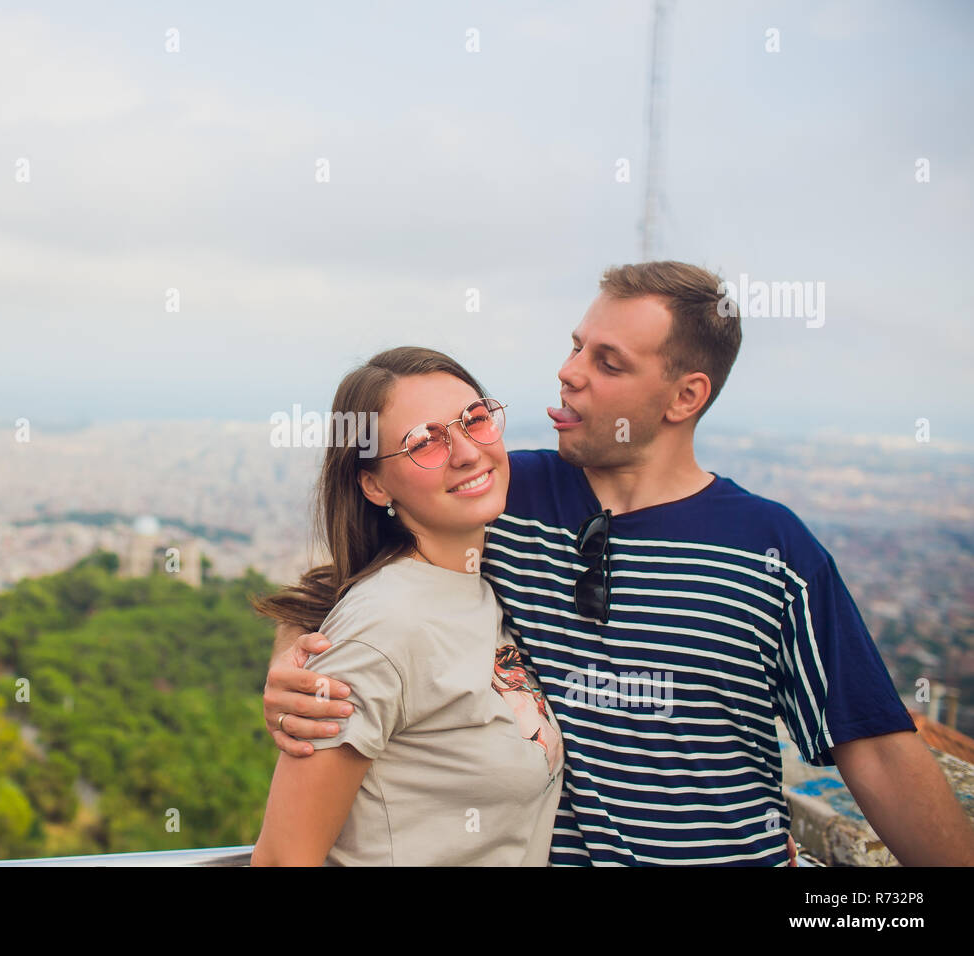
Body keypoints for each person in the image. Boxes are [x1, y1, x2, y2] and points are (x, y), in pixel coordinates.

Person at [264, 261, 974, 866]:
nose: (569, 374)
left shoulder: (770, 550)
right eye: (576, 347)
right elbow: (356, 573)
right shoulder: (503, 496)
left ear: (685, 395)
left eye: (607, 363)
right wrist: (298, 666)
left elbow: (875, 748)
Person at [249, 348, 565, 866]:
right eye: (424, 442)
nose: (466, 452)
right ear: (374, 484)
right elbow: (284, 858)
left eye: (476, 419)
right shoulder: (386, 623)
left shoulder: (476, 578)